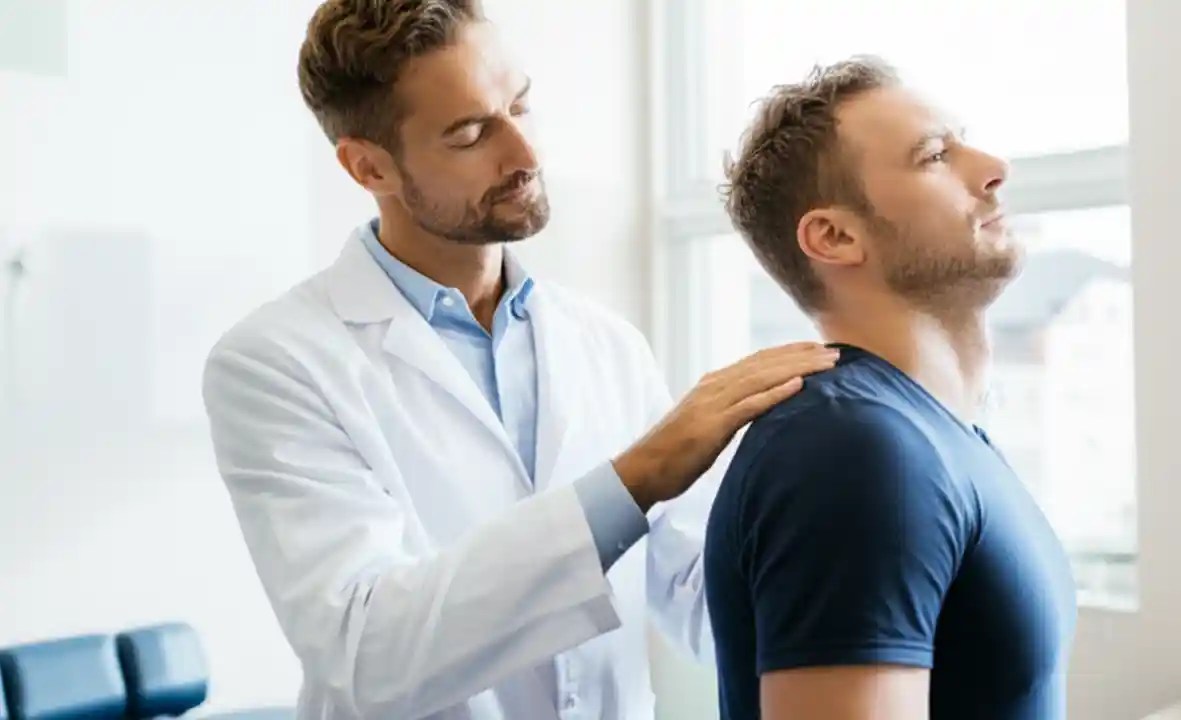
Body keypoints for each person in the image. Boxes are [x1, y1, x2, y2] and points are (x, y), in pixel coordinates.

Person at [200, 1, 838, 718]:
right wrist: (634, 480)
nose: (526, 154)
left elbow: (700, 596)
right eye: (472, 134)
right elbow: (365, 653)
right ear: (368, 165)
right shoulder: (274, 363)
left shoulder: (605, 343)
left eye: (521, 105)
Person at [704, 57, 1079, 720]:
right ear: (835, 236)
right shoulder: (851, 445)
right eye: (935, 156)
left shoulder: (937, 435)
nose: (994, 167)